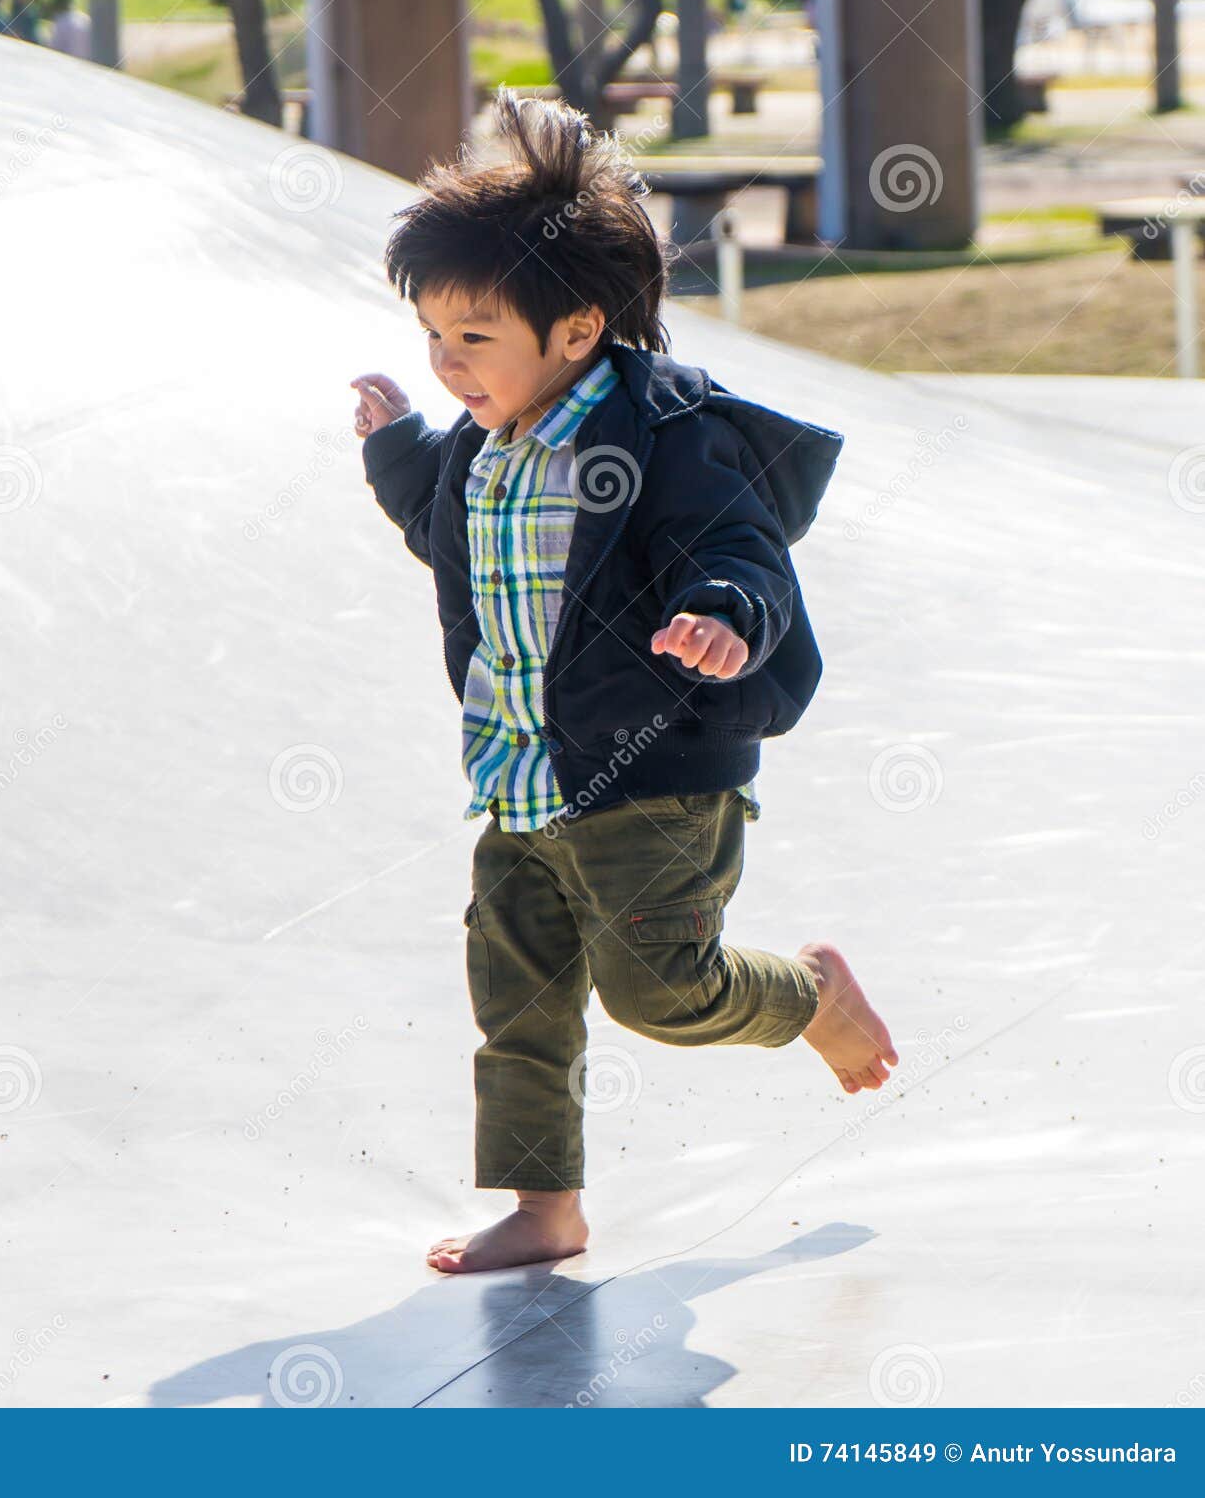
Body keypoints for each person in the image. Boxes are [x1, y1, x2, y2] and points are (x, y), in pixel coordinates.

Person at [350, 89, 898, 1275]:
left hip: (650, 777)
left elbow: (735, 548)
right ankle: (544, 1211)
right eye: (433, 338)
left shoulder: (663, 438)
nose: (448, 365)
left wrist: (723, 621)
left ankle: (807, 996)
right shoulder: (481, 446)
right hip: (517, 777)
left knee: (659, 991)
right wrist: (397, 457)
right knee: (520, 1001)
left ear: (578, 329)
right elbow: (455, 539)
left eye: (473, 338)